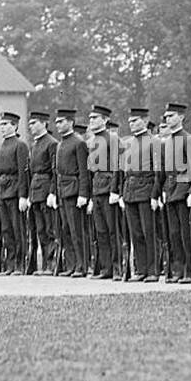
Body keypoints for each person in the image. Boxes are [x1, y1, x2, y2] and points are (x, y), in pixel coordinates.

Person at [159, 102, 191, 284]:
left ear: (181, 117)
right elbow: (163, 171)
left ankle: (189, 272)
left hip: (183, 190)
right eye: (166, 117)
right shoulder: (166, 142)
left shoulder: (189, 139)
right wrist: (160, 192)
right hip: (170, 189)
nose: (168, 119)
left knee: (186, 233)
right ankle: (177, 270)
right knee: (173, 233)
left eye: (172, 116)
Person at [121, 107, 162, 282]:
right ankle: (141, 269)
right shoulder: (128, 143)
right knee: (136, 232)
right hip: (130, 189)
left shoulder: (154, 141)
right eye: (130, 121)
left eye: (136, 121)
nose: (132, 124)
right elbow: (124, 169)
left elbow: (158, 170)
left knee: (149, 232)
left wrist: (155, 195)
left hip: (146, 188)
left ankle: (153, 270)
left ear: (145, 121)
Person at [53, 109, 90, 278]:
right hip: (62, 190)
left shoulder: (78, 143)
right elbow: (57, 172)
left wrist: (83, 194)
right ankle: (71, 264)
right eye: (57, 122)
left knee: (77, 231)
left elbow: (84, 171)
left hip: (74, 191)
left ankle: (82, 265)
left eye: (61, 121)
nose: (58, 125)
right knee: (66, 230)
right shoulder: (60, 144)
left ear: (70, 122)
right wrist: (54, 192)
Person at [86, 105, 121, 280]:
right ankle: (106, 269)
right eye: (90, 118)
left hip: (108, 188)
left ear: (105, 120)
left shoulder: (112, 138)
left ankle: (117, 269)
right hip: (97, 188)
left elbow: (117, 165)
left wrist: (115, 190)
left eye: (95, 118)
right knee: (100, 232)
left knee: (113, 230)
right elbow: (91, 171)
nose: (91, 121)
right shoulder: (92, 141)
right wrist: (91, 196)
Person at [0, 111, 30, 275]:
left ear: (14, 126)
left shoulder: (20, 145)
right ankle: (10, 264)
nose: (2, 128)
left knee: (17, 229)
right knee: (6, 230)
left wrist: (23, 195)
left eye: (6, 124)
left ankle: (20, 264)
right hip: (2, 192)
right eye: (1, 124)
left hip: (15, 191)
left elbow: (23, 172)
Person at [26, 111, 59, 275]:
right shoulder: (35, 145)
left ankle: (52, 264)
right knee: (40, 229)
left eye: (34, 123)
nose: (30, 126)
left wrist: (52, 192)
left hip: (46, 188)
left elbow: (55, 170)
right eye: (30, 123)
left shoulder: (51, 143)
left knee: (49, 229)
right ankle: (45, 264)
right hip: (36, 190)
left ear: (44, 123)